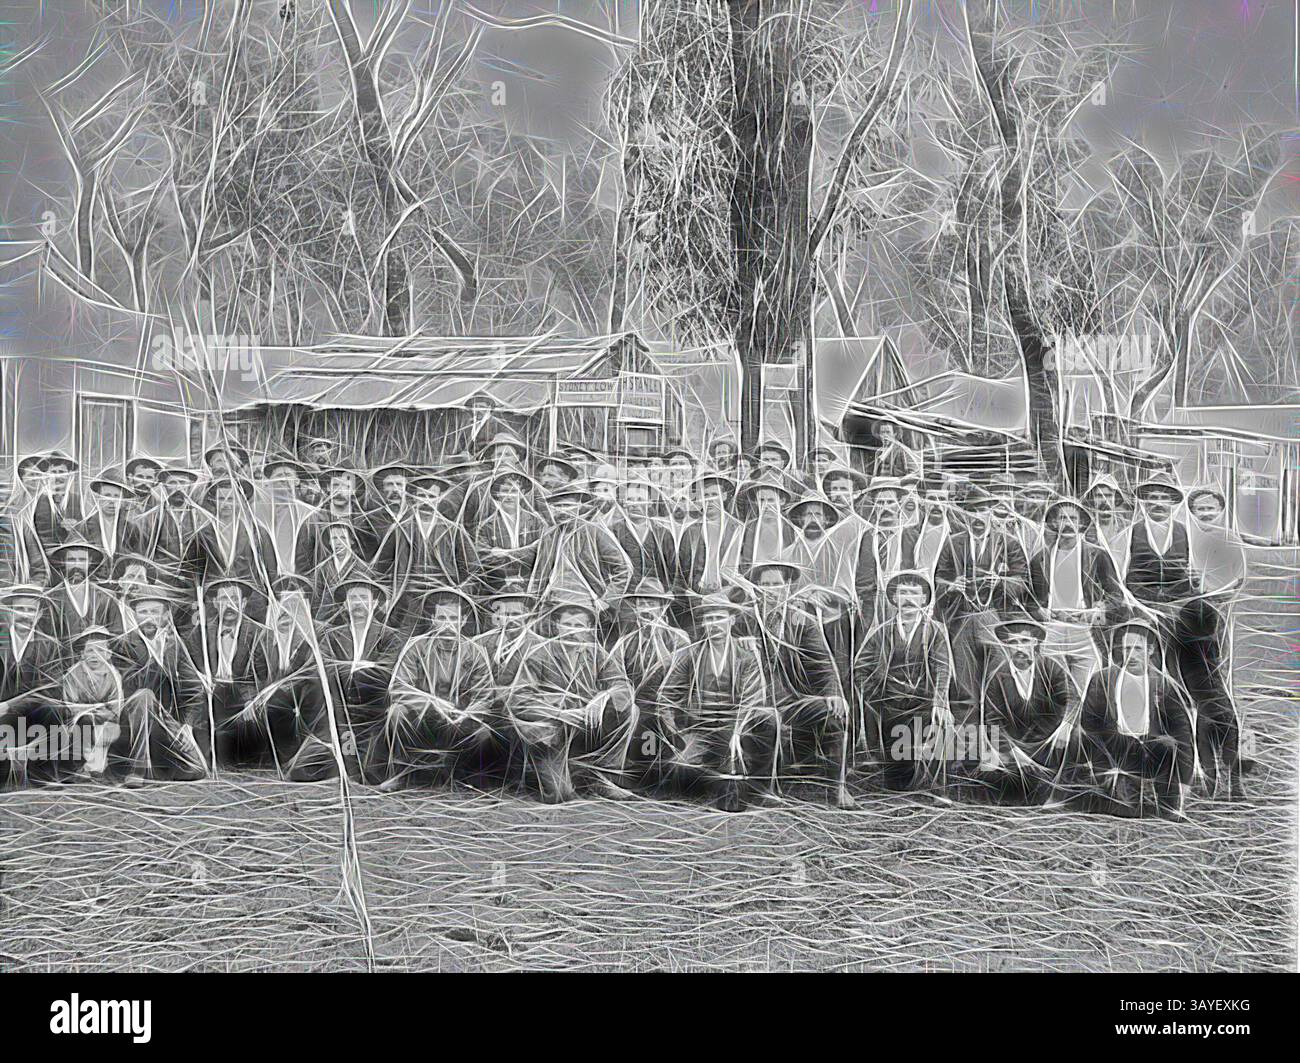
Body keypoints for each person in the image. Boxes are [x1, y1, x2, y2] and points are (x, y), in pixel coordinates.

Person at [507, 593, 639, 803]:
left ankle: (602, 775)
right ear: (556, 625)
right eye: (567, 624)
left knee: (630, 710)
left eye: (579, 626)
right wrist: (559, 713)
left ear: (589, 629)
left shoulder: (597, 654)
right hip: (551, 732)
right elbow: (520, 700)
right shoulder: (538, 654)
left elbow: (622, 686)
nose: (572, 631)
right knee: (560, 795)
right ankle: (551, 771)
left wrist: (604, 695)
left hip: (586, 725)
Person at [655, 590, 777, 812]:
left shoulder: (746, 656)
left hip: (735, 728)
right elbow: (665, 697)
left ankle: (761, 787)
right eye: (709, 618)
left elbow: (752, 699)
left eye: (719, 617)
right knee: (679, 773)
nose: (714, 624)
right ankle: (714, 771)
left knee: (769, 718)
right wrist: (677, 734)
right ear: (703, 623)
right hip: (701, 728)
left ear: (731, 620)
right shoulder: (690, 655)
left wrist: (737, 732)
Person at [747, 560, 854, 808]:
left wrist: (833, 693)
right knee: (767, 720)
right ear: (756, 588)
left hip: (792, 702)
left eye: (776, 585)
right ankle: (767, 788)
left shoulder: (801, 620)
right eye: (764, 585)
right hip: (754, 703)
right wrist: (742, 642)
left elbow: (823, 663)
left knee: (833, 713)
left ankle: (837, 788)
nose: (770, 590)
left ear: (787, 587)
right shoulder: (747, 619)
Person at [376, 587, 499, 791]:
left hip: (458, 720)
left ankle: (459, 775)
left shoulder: (476, 652)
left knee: (483, 733)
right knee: (396, 713)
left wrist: (467, 713)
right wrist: (430, 703)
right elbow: (399, 686)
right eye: (442, 618)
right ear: (433, 621)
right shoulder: (417, 647)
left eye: (453, 618)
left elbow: (484, 695)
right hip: (424, 718)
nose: (448, 624)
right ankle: (403, 772)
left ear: (462, 622)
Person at [1081, 620, 1194, 819]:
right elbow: (1089, 727)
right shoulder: (1102, 680)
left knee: (1168, 745)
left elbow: (1183, 732)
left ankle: (1168, 802)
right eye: (1126, 648)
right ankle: (1120, 789)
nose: (1131, 655)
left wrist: (1185, 781)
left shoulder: (1163, 685)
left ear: (1150, 650)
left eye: (1137, 649)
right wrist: (1102, 769)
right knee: (1126, 813)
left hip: (1151, 751)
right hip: (1116, 752)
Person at [853, 572, 952, 791]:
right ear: (894, 599)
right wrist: (874, 695)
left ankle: (937, 784)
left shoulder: (934, 631)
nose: (908, 599)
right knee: (897, 783)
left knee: (942, 724)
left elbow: (943, 668)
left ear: (924, 600)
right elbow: (861, 667)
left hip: (924, 704)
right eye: (903, 593)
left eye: (915, 594)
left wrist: (939, 702)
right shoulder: (882, 632)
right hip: (891, 707)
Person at [975, 618, 1081, 805]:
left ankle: (1056, 793)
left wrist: (1065, 726)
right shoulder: (998, 677)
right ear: (1006, 646)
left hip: (1051, 743)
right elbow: (992, 721)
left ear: (1036, 643)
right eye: (1013, 642)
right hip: (1017, 746)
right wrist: (1012, 751)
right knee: (991, 773)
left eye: (1025, 641)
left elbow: (1073, 699)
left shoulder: (1051, 667)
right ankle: (1026, 787)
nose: (1019, 647)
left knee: (1077, 736)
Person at [112, 586, 209, 784]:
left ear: (165, 616)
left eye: (154, 612)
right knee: (144, 695)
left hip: (164, 721)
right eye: (143, 612)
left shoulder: (174, 647)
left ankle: (158, 768)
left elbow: (194, 689)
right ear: (135, 616)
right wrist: (156, 654)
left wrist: (187, 726)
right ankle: (139, 769)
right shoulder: (124, 645)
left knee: (197, 769)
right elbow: (131, 685)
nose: (148, 617)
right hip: (129, 724)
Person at [1027, 498, 1123, 697]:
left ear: (1081, 524)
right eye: (1063, 518)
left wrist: (1098, 611)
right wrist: (1039, 612)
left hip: (1084, 630)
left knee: (1089, 690)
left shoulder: (1097, 555)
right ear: (1054, 523)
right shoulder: (1040, 558)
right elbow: (1028, 599)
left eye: (1073, 518)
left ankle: (1081, 728)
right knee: (1052, 691)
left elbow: (1116, 595)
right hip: (1052, 630)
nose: (1068, 524)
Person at [317, 578, 402, 783]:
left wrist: (354, 672)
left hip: (373, 713)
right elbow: (324, 667)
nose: (358, 603)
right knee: (305, 768)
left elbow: (385, 671)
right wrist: (360, 668)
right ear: (345, 604)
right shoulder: (332, 636)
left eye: (363, 597)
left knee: (370, 773)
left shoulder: (390, 636)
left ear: (374, 603)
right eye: (353, 598)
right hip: (339, 709)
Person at [609, 577, 691, 780]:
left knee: (670, 776)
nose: (646, 608)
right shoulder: (625, 642)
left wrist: (658, 635)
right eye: (641, 603)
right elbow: (615, 677)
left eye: (651, 602)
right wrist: (629, 706)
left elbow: (680, 680)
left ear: (662, 606)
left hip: (670, 711)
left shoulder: (678, 638)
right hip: (636, 712)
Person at [373, 474, 476, 634]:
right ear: (413, 499)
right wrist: (387, 598)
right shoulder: (400, 529)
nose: (426, 501)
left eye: (431, 496)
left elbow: (474, 569)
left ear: (440, 499)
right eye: (421, 496)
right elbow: (380, 568)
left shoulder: (453, 530)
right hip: (408, 597)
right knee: (403, 641)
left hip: (443, 598)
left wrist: (459, 592)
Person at [190, 578, 267, 768]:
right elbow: (192, 669)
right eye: (224, 599)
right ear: (215, 603)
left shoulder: (257, 633)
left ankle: (233, 754)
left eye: (234, 598)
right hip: (209, 696)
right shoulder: (201, 632)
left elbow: (261, 675)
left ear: (243, 603)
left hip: (240, 698)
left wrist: (251, 700)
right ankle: (203, 758)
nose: (230, 604)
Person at [0, 585, 65, 787]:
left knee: (52, 709)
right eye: (20, 609)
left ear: (39, 616)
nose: (25, 615)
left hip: (30, 713)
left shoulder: (49, 646)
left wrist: (10, 706)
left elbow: (51, 690)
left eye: (31, 610)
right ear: (8, 613)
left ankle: (43, 774)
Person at [46, 540, 122, 643]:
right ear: (63, 562)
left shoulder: (106, 598)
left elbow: (117, 637)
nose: (76, 565)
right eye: (71, 560)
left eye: (82, 560)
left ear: (89, 562)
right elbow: (48, 640)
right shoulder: (51, 600)